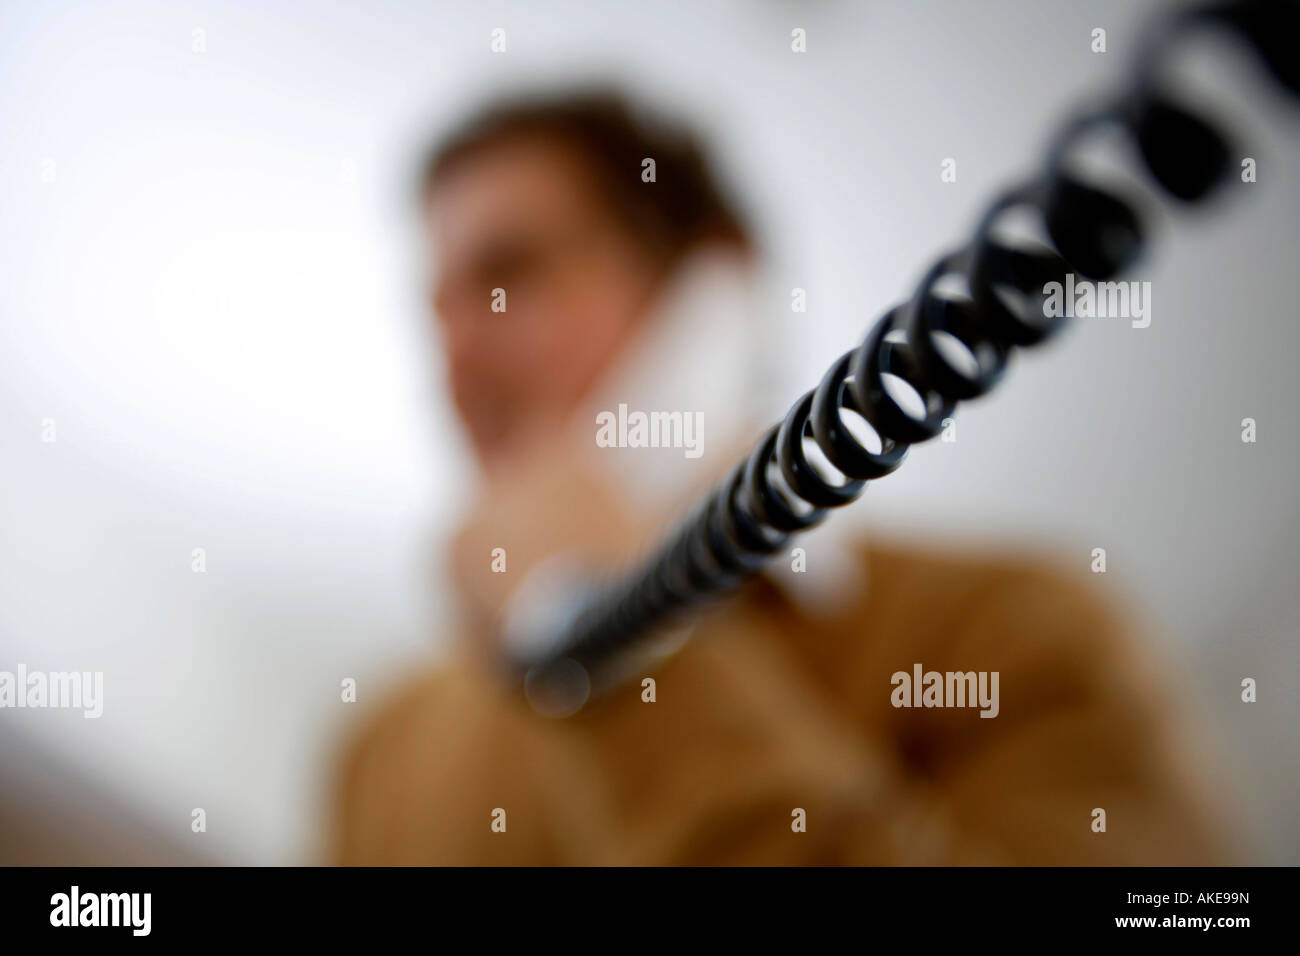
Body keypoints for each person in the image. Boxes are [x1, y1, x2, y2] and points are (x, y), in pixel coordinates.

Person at [331, 89, 1226, 865]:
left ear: (713, 296)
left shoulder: (1010, 625)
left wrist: (599, 624)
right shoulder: (385, 747)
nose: (454, 367)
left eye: (509, 274)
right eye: (437, 313)